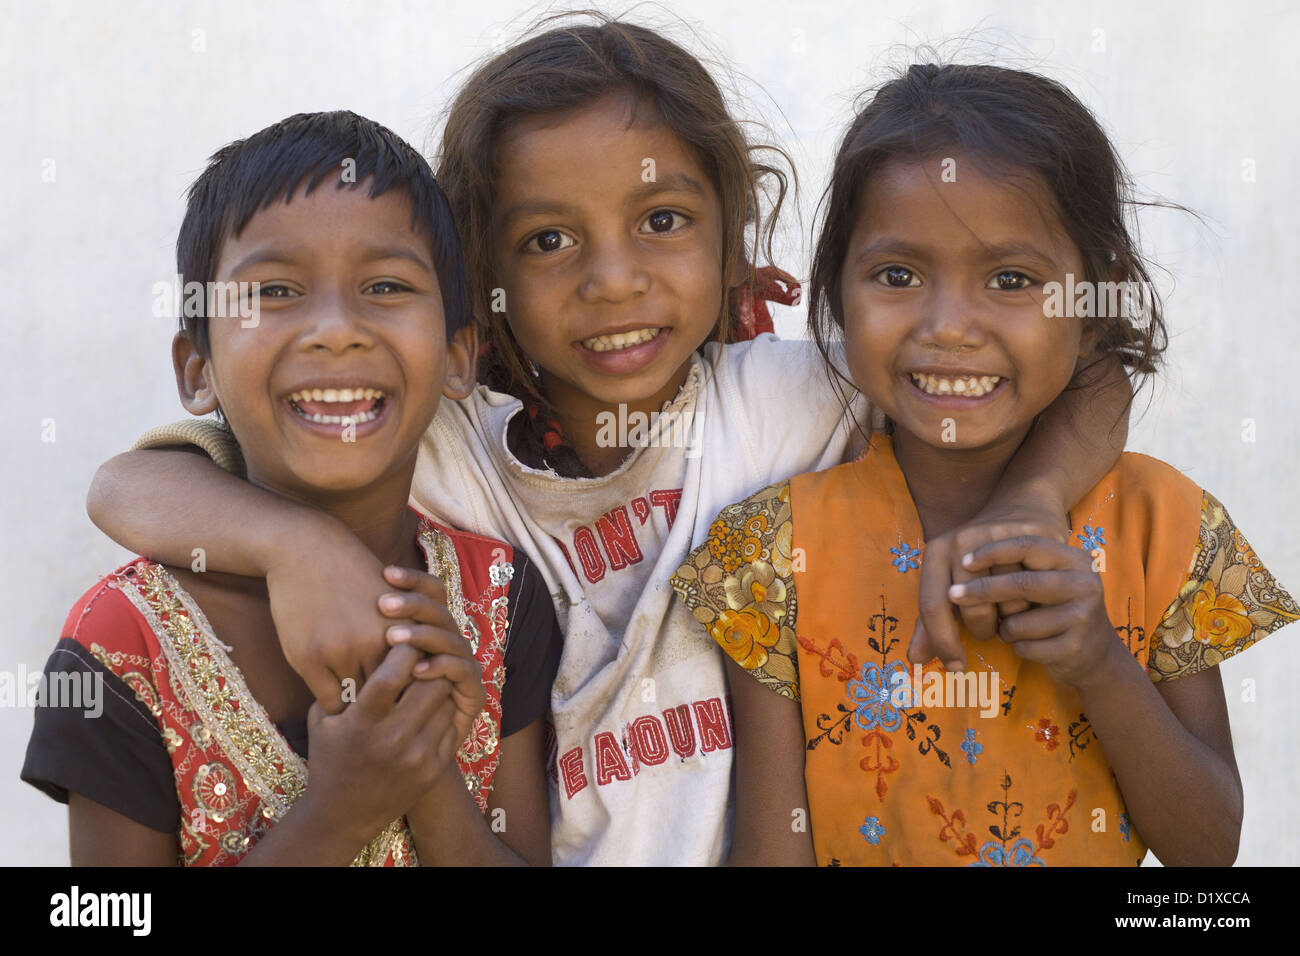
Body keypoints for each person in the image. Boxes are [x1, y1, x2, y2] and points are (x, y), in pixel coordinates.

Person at [86, 17, 1132, 865]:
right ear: (476, 293)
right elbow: (130, 483)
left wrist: (1030, 503)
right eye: (548, 239)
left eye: (663, 220)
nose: (614, 278)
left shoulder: (779, 397)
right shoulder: (447, 446)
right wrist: (291, 544)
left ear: (731, 232)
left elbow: (1090, 375)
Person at [672, 63, 1297, 866]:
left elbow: (1208, 852)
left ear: (1095, 304)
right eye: (897, 276)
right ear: (834, 293)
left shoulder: (1160, 527)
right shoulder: (770, 553)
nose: (951, 327)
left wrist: (1100, 663)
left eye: (1012, 279)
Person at [22, 111, 557, 866]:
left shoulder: (496, 598)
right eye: (274, 292)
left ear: (459, 356)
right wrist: (339, 812)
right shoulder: (122, 643)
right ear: (196, 369)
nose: (336, 330)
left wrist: (429, 771)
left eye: (385, 284)